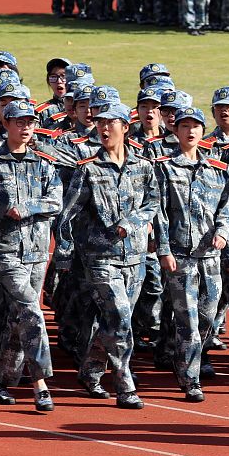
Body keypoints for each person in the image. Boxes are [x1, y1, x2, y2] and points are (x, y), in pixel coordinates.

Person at [0, 99, 62, 413]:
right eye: (19, 121)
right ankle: (40, 383)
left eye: (30, 122)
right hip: (4, 251)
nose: (26, 127)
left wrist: (28, 207)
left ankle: (0, 381)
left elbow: (56, 200)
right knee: (31, 310)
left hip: (36, 251)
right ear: (6, 124)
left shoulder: (44, 163)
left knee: (19, 318)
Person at [56, 101, 159, 409]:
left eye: (110, 123)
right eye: (100, 123)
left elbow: (153, 203)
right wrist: (64, 255)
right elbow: (67, 214)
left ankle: (90, 371)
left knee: (114, 322)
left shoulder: (143, 166)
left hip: (135, 258)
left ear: (125, 127)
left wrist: (132, 222)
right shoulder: (88, 169)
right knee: (121, 318)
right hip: (100, 259)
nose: (103, 128)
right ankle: (124, 383)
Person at [154, 106, 229, 402]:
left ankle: (182, 360)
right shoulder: (164, 168)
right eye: (184, 126)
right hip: (181, 257)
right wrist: (164, 250)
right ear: (176, 131)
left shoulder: (217, 169)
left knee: (207, 319)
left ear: (203, 131)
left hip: (210, 258)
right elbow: (159, 212)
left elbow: (227, 207)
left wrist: (223, 232)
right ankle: (191, 379)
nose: (190, 131)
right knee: (187, 322)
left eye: (195, 126)